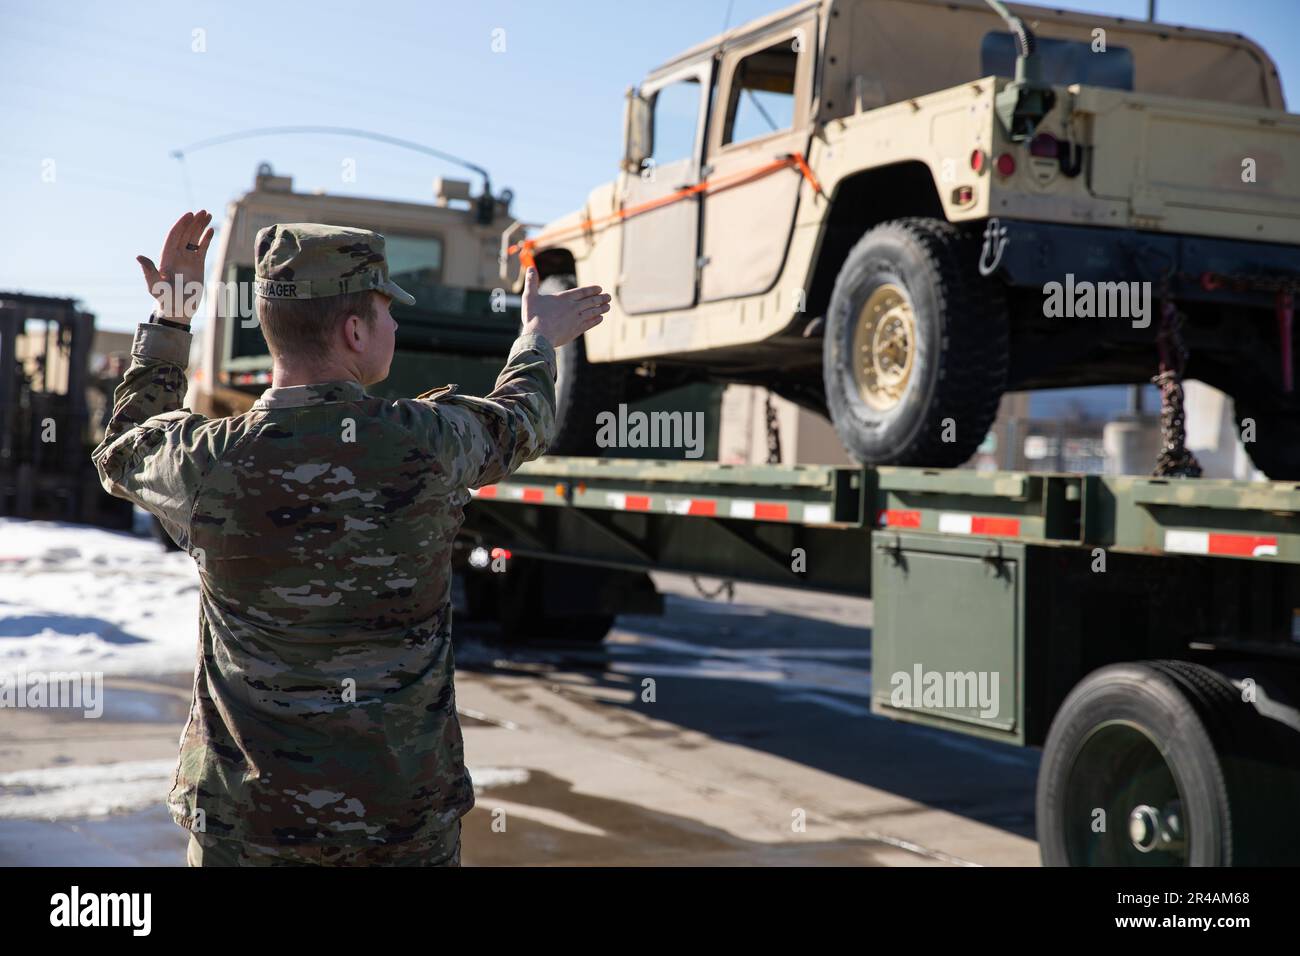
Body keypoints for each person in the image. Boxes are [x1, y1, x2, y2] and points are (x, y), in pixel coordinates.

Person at [92, 210, 609, 866]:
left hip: (247, 832)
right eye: (387, 311)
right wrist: (537, 336)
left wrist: (171, 319)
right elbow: (522, 419)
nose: (396, 325)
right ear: (355, 330)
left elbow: (123, 446)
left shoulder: (206, 463)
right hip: (401, 831)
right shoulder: (428, 442)